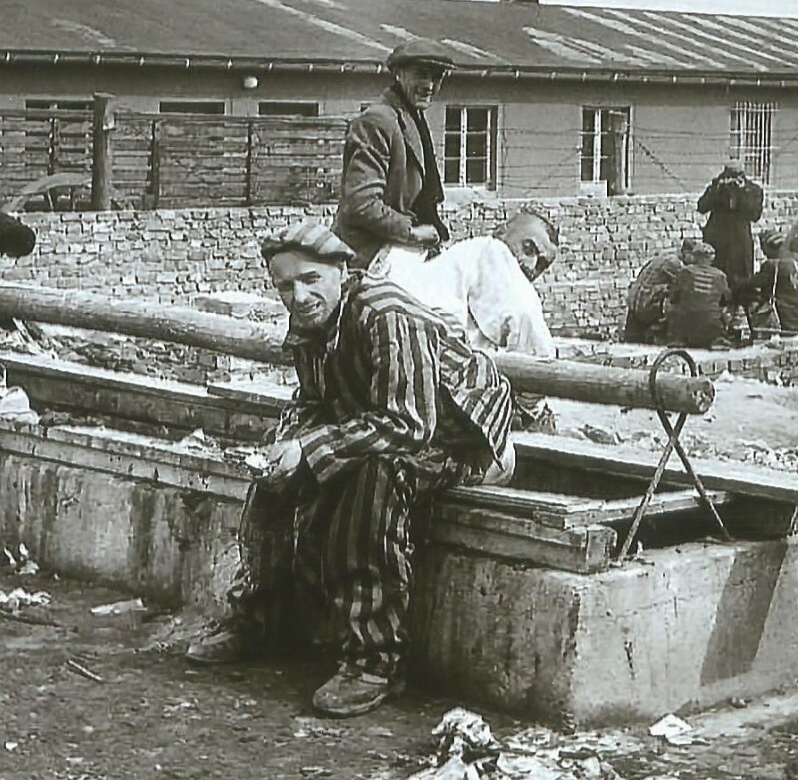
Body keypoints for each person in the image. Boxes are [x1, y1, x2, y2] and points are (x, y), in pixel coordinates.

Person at [186, 221, 514, 718]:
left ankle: (376, 659)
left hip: (460, 441)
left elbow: (409, 425)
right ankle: (262, 618)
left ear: (342, 270)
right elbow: (314, 400)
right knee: (274, 481)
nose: (298, 296)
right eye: (285, 286)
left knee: (372, 482)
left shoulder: (387, 314)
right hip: (382, 425)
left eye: (310, 279)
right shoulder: (312, 321)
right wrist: (287, 446)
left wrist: (312, 449)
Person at [332, 40, 456, 269]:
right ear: (399, 74)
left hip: (404, 248)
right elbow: (362, 204)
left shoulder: (412, 118)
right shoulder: (377, 121)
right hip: (369, 255)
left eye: (437, 77)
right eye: (421, 74)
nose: (429, 85)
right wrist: (412, 233)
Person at [380, 211, 561, 359]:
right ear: (501, 232)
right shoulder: (490, 250)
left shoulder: (462, 275)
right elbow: (528, 326)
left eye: (541, 265)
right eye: (528, 248)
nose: (531, 266)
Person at [696, 158, 764, 280]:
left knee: (741, 280)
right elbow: (702, 207)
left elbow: (755, 215)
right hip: (717, 241)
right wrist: (717, 189)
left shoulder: (753, 190)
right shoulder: (717, 187)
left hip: (740, 244)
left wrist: (743, 192)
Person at [735, 231, 798, 335]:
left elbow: (753, 282)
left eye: (763, 247)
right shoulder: (795, 261)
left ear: (769, 248)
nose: (763, 252)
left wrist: (736, 282)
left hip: (791, 319)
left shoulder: (773, 264)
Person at [621, 238, 698, 343]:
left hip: (634, 304)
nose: (696, 261)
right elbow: (687, 288)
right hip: (645, 305)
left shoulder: (662, 257)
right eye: (694, 256)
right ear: (686, 253)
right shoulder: (674, 264)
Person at [658, 241, 733, 347]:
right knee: (724, 311)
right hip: (712, 327)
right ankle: (716, 338)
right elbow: (727, 299)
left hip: (686, 326)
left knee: (670, 305)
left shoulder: (686, 272)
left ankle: (678, 338)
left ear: (694, 256)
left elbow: (674, 297)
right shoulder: (720, 276)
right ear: (712, 258)